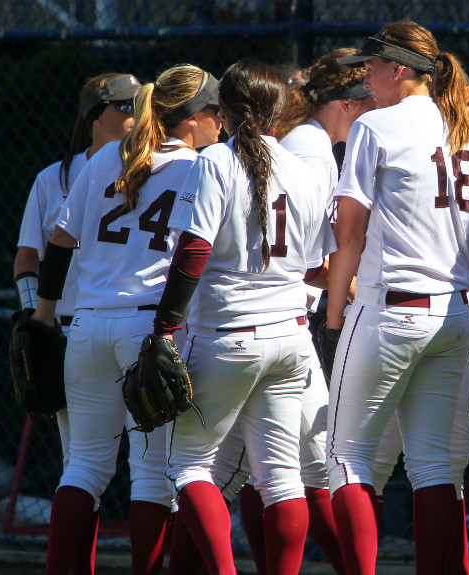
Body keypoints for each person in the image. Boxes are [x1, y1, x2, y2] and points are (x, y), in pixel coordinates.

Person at [31, 63, 222, 575]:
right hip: (150, 329)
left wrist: (45, 314)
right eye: (213, 109)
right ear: (188, 118)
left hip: (88, 325)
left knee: (84, 468)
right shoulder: (199, 167)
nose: (220, 120)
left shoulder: (105, 158)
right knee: (152, 477)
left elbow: (59, 243)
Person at [323, 21, 469, 575]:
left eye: (372, 67)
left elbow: (349, 236)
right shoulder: (468, 136)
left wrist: (332, 321)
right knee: (435, 468)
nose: (366, 78)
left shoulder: (376, 126)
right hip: (451, 316)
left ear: (399, 69)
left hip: (387, 308)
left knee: (346, 460)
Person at [153, 58, 335, 575]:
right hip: (291, 336)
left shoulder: (215, 159)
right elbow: (320, 269)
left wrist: (163, 328)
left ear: (225, 111)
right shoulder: (303, 168)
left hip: (227, 336)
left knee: (189, 466)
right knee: (283, 478)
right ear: (279, 111)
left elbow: (193, 250)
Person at [13, 71, 140, 575]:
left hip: (121, 324)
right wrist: (34, 318)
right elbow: (28, 256)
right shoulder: (54, 178)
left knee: (141, 469)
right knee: (81, 467)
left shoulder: (154, 164)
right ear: (95, 114)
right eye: (124, 105)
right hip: (70, 329)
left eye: (138, 104)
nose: (134, 112)